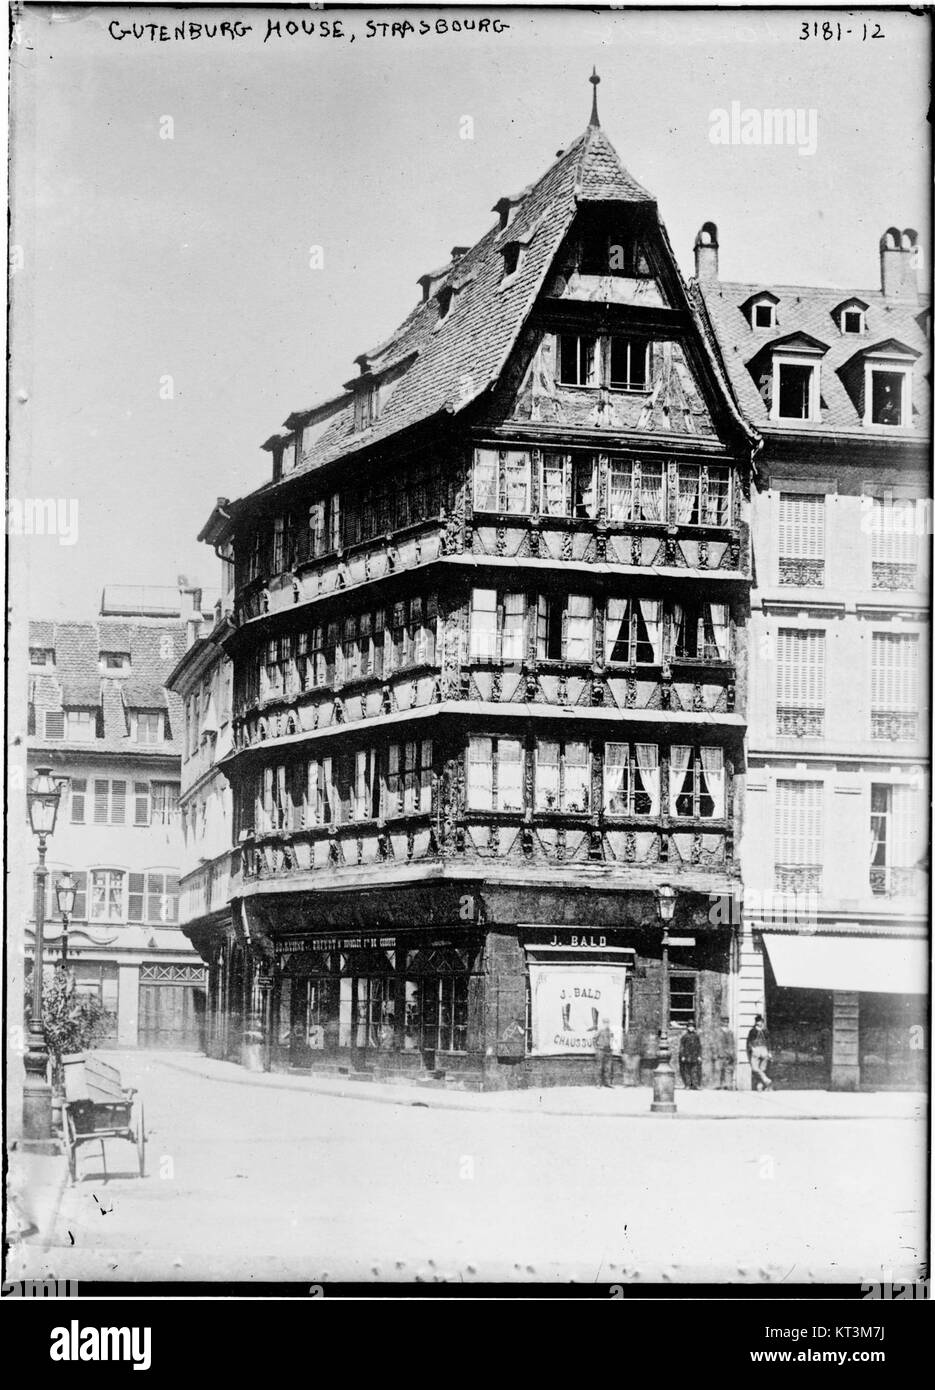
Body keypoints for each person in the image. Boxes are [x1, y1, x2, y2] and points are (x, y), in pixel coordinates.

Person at [746, 1015, 773, 1091]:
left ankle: (760, 1085)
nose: (759, 1023)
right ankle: (766, 1079)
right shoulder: (752, 1031)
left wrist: (769, 1052)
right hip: (756, 1050)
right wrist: (751, 1048)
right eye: (758, 1022)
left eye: (760, 1021)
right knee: (755, 1068)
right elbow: (749, 1042)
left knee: (762, 1069)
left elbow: (768, 1042)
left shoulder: (765, 1031)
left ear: (762, 1022)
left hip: (764, 1050)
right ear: (756, 1022)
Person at [678, 1021, 702, 1089]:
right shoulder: (685, 1037)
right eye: (689, 1027)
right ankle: (687, 1085)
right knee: (687, 1071)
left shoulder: (696, 1036)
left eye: (692, 1027)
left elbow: (699, 1046)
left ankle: (695, 1085)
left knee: (694, 1071)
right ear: (687, 1028)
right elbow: (682, 1047)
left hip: (694, 1056)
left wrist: (699, 1056)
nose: (691, 1028)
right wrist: (682, 1055)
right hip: (687, 1056)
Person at [714, 1016, 736, 1090]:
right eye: (724, 1022)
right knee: (718, 1069)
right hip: (719, 1053)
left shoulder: (730, 1032)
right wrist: (715, 1053)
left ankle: (727, 1084)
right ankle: (717, 1084)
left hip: (728, 1055)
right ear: (721, 1022)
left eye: (727, 1022)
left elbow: (732, 1044)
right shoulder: (717, 1032)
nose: (725, 1023)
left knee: (728, 1070)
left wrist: (732, 1053)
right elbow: (715, 1043)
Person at [594, 1016, 615, 1088]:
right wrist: (596, 1048)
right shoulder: (600, 1031)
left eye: (608, 1023)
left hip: (608, 1050)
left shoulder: (610, 1031)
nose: (607, 1024)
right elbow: (594, 1039)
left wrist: (611, 1047)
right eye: (605, 1023)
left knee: (608, 1067)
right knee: (599, 1067)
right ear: (603, 1023)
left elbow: (612, 1040)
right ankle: (598, 1083)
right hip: (600, 1050)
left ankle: (607, 1083)